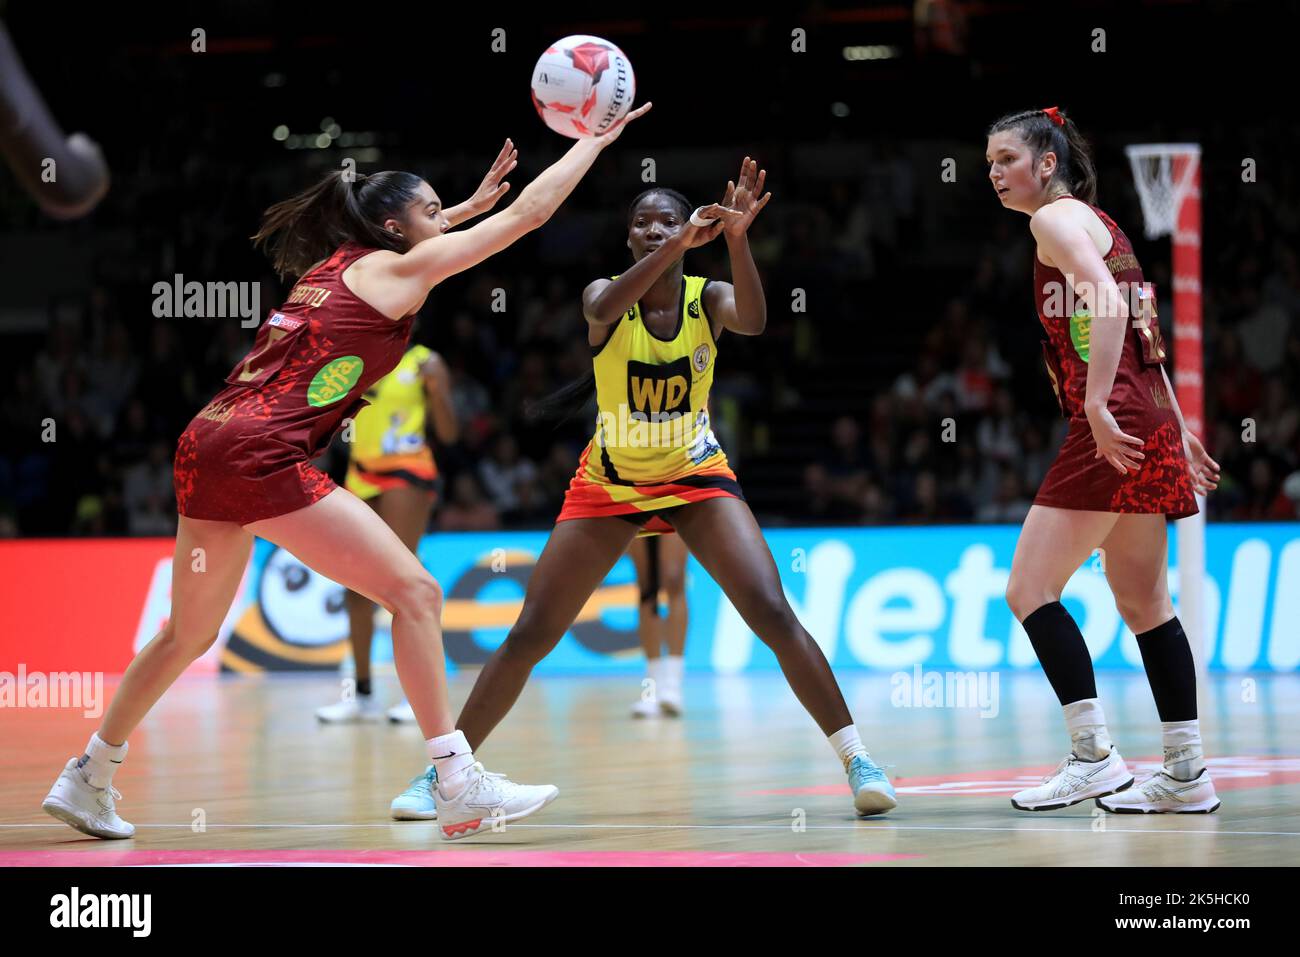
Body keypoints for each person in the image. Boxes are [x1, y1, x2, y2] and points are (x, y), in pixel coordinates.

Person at [41, 103, 654, 842]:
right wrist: (592, 141)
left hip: (208, 441)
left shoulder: (336, 263)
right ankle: (456, 780)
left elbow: (428, 230)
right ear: (396, 229)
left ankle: (89, 774)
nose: (445, 220)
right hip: (264, 453)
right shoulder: (399, 270)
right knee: (417, 592)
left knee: (184, 636)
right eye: (432, 211)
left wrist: (460, 208)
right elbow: (532, 213)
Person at [449, 160, 898, 818]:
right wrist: (676, 250)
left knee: (772, 612)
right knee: (532, 632)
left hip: (695, 475)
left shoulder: (706, 298)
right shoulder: (604, 293)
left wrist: (739, 239)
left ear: (691, 230)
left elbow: (752, 320)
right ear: (628, 239)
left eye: (668, 221)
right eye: (642, 224)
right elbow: (602, 307)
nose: (655, 229)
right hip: (610, 481)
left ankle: (859, 756)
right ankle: (446, 773)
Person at [986, 106, 1222, 814]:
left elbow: (1114, 309)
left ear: (1046, 164)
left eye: (1006, 159)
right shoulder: (1104, 222)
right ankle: (1185, 772)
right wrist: (1176, 426)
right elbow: (1149, 330)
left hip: (1112, 421)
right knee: (1145, 603)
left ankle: (1093, 756)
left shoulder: (1053, 223)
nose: (994, 173)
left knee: (1029, 589)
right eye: (989, 162)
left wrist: (1093, 406)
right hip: (1146, 415)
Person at [627, 534, 689, 717]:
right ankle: (650, 691)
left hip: (673, 506)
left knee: (674, 577)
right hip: (638, 505)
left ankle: (672, 685)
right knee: (647, 586)